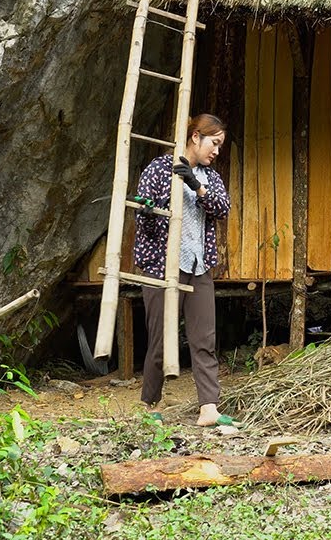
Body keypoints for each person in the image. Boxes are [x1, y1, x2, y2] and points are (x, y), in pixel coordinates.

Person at [132, 113, 233, 426]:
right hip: (162, 267)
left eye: (220, 145)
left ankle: (208, 407)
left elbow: (223, 208)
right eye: (214, 143)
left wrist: (196, 186)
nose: (216, 151)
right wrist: (148, 210)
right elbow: (143, 222)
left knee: (204, 338)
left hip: (198, 264)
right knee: (161, 340)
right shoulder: (161, 168)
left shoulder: (210, 177)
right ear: (195, 137)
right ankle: (149, 405)